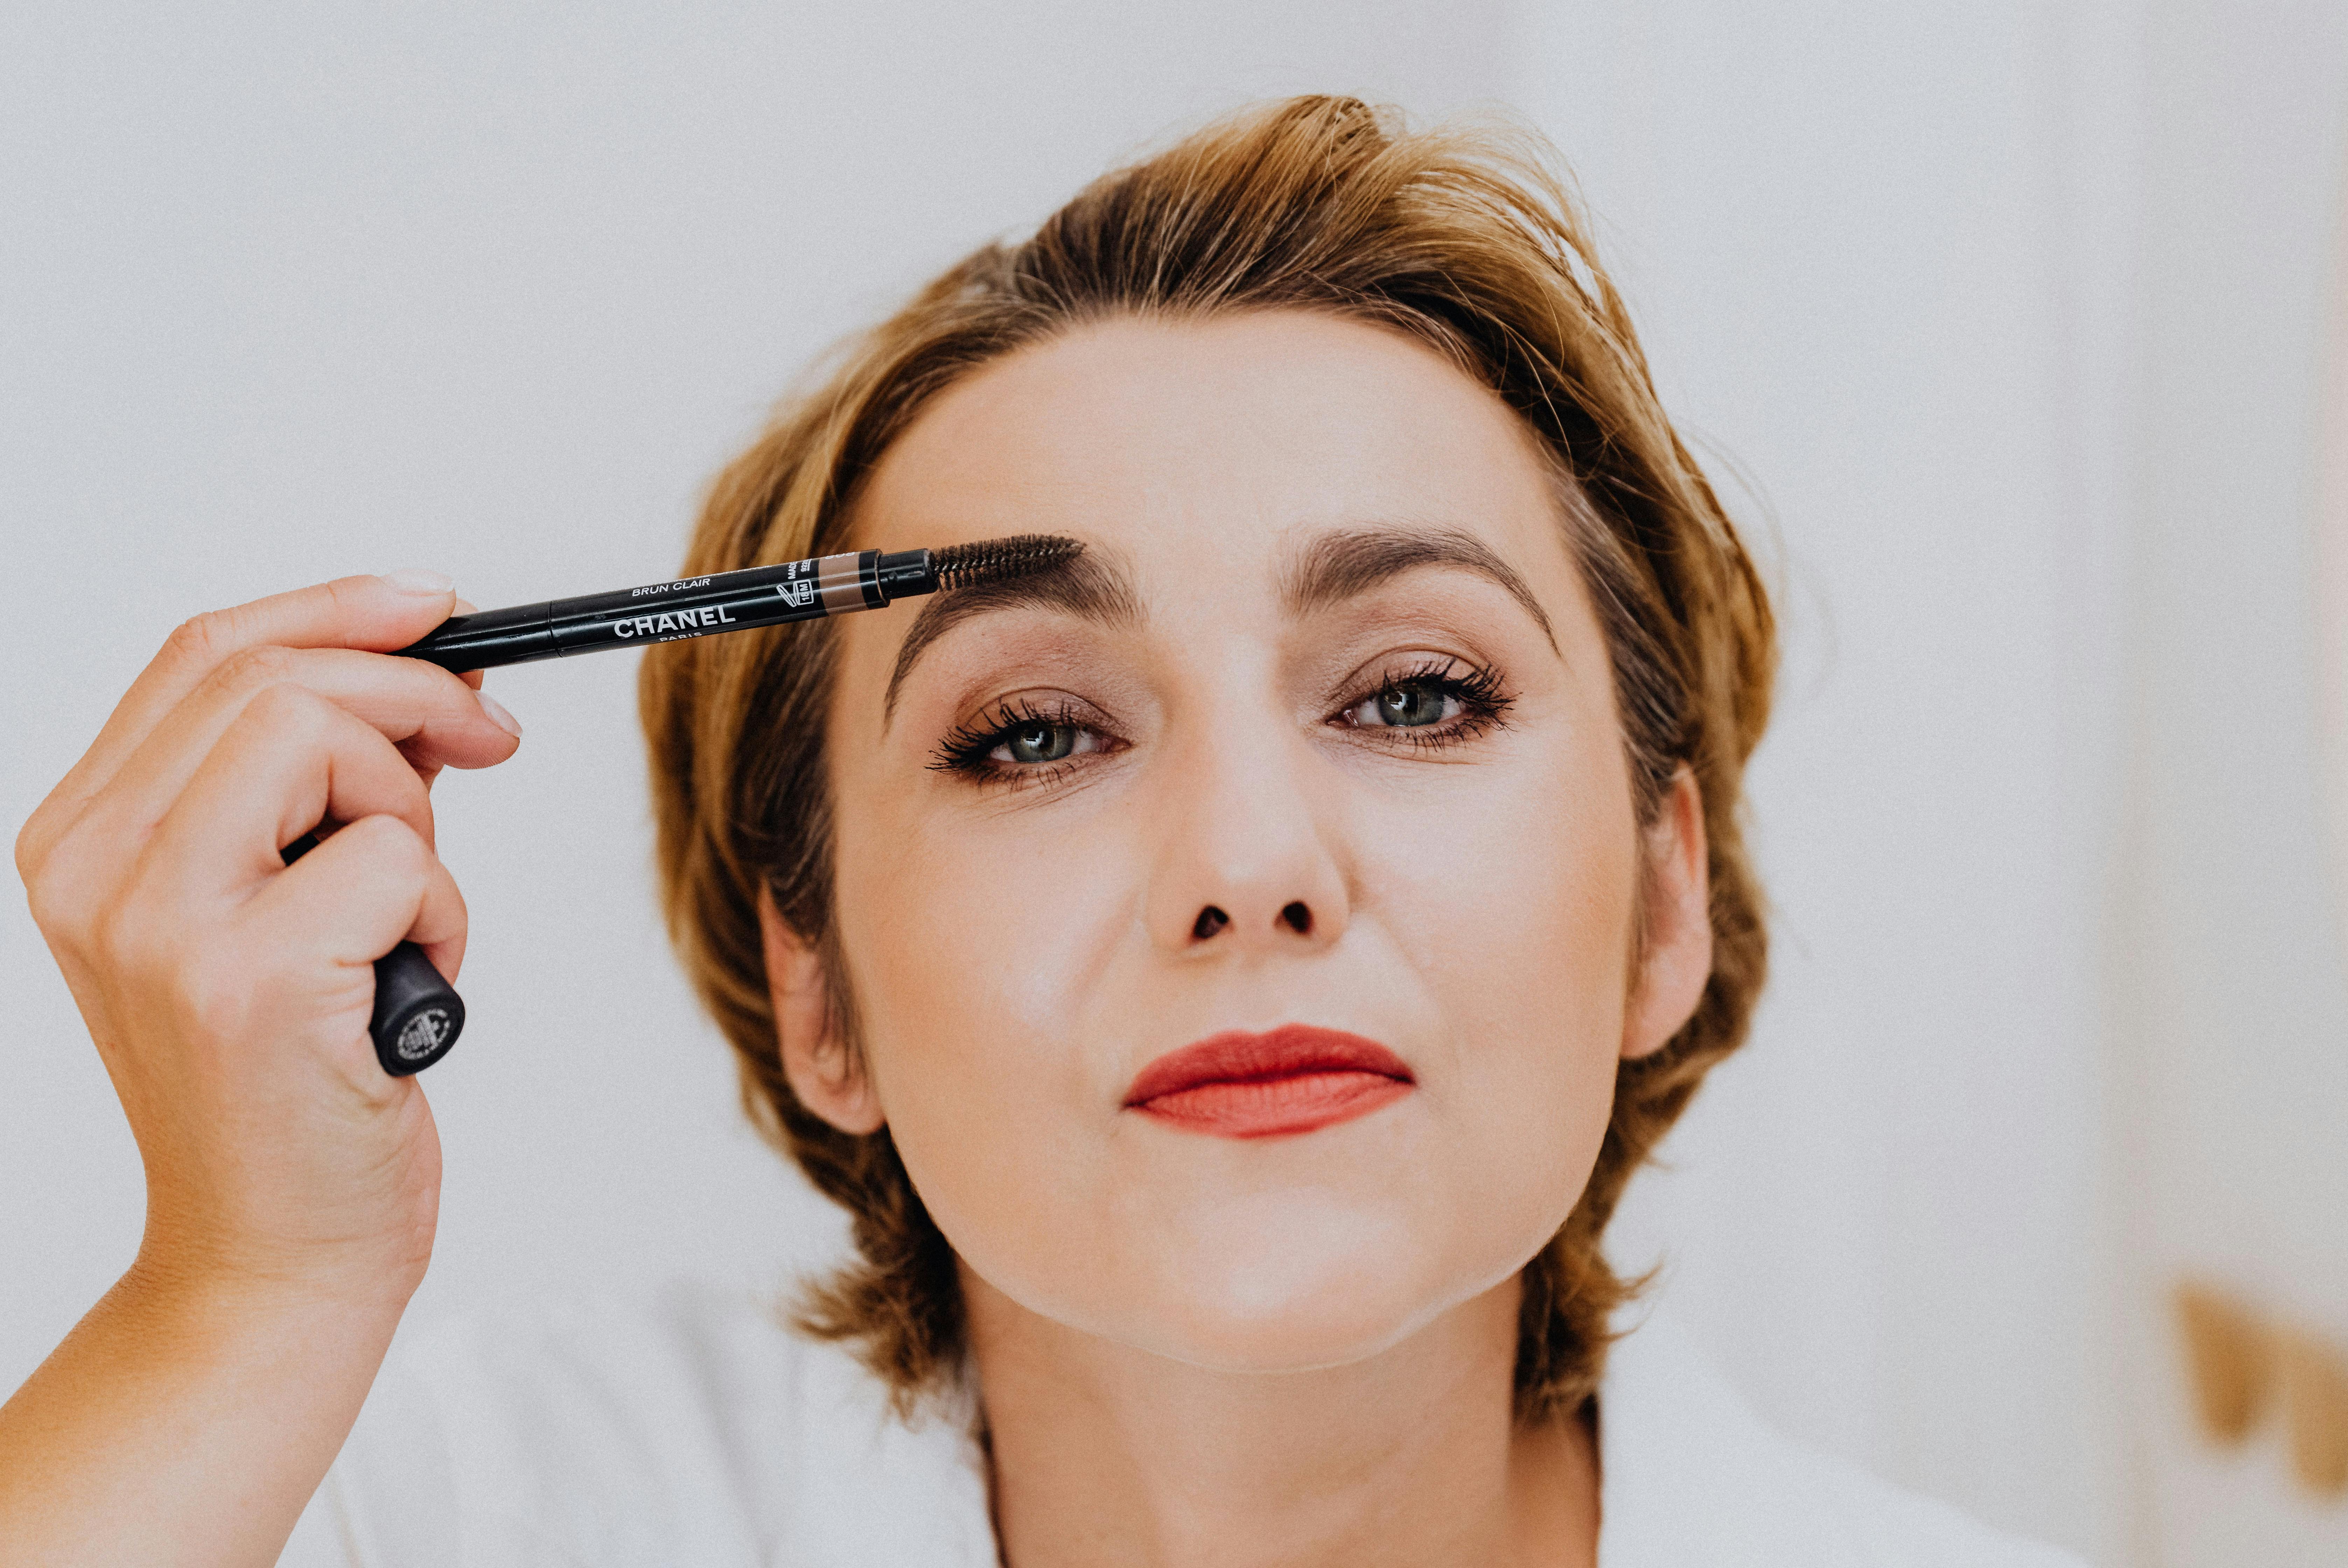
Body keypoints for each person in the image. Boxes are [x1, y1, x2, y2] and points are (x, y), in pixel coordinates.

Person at [4, 97, 2081, 1567]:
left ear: (1662, 908)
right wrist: (243, 1283)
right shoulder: (437, 1516)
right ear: (816, 991)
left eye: (1417, 694)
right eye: (1031, 736)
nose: (1250, 865)